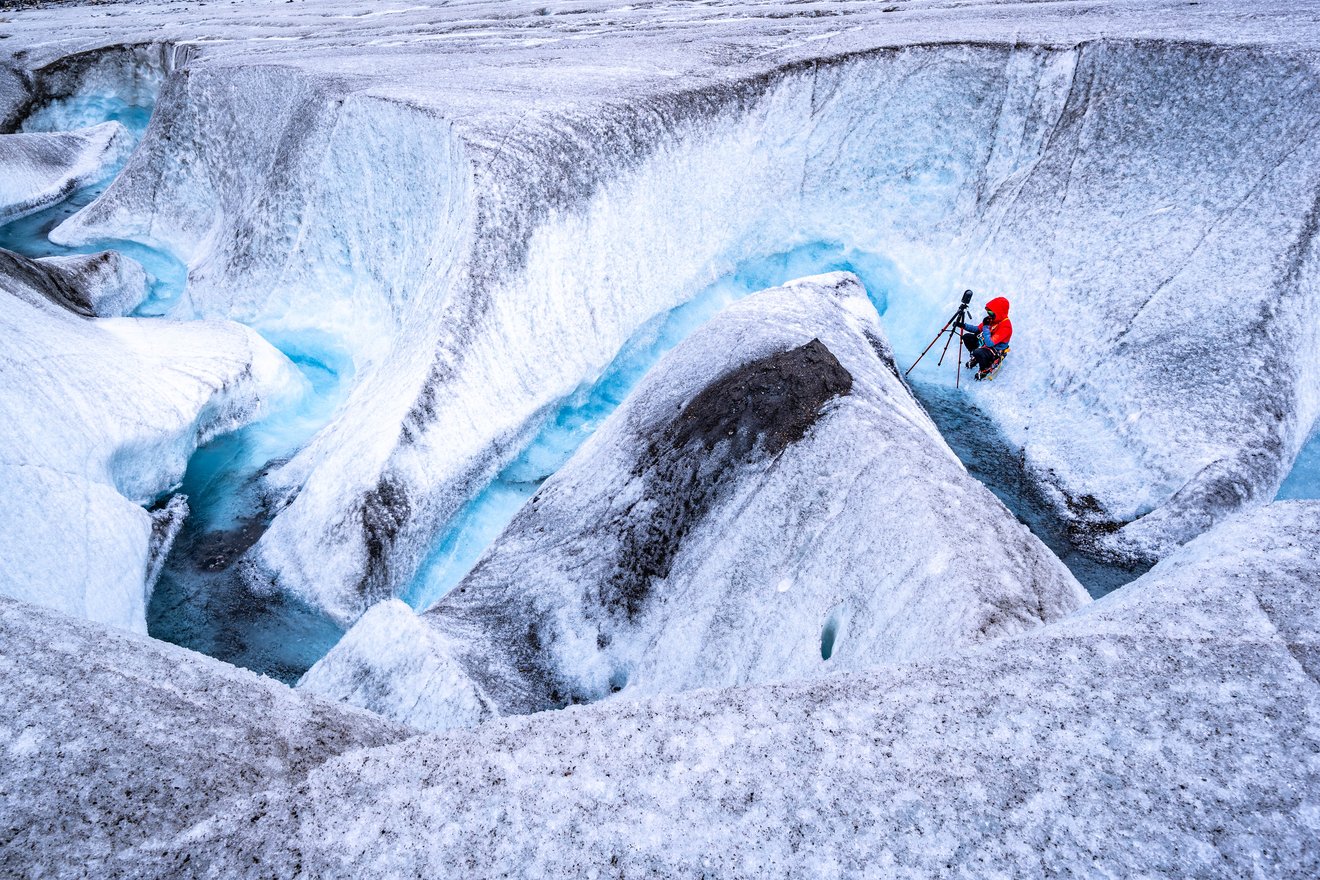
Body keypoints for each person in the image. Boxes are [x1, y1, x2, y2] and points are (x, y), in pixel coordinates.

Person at [962, 296, 1012, 377]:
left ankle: (985, 368)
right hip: (986, 346)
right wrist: (963, 325)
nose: (989, 314)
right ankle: (976, 357)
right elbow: (977, 329)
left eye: (991, 313)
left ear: (999, 312)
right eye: (988, 312)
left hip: (995, 350)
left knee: (978, 352)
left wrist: (986, 327)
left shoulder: (1006, 327)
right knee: (967, 337)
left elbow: (989, 343)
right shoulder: (993, 319)